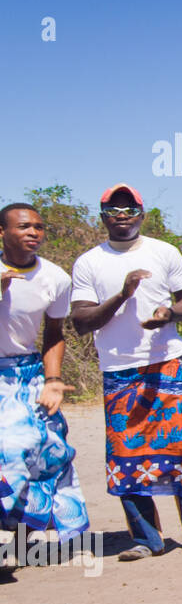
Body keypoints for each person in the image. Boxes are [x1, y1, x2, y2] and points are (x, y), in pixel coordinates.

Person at [69, 184, 182, 562]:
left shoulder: (164, 252)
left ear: (142, 213)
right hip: (120, 370)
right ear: (102, 215)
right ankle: (146, 539)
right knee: (125, 454)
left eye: (129, 209)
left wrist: (170, 314)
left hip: (167, 362)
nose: (122, 217)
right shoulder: (89, 262)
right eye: (113, 211)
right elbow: (82, 321)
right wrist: (122, 295)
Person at [0, 203, 89, 546]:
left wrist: (53, 381)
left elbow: (54, 332)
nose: (33, 233)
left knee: (48, 450)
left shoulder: (55, 277)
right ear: (3, 233)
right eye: (23, 227)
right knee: (9, 448)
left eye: (38, 227)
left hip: (27, 372)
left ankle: (27, 538)